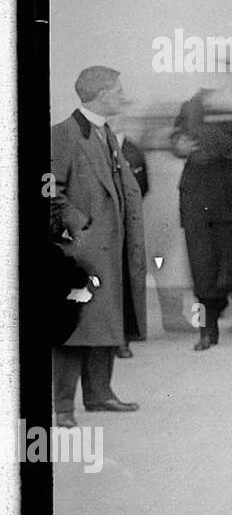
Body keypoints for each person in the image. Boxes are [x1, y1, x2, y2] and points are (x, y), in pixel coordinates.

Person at [50, 66, 146, 423]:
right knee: (73, 329)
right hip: (81, 253)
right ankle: (62, 407)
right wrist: (81, 226)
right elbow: (48, 189)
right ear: (102, 94)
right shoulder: (63, 135)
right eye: (118, 91)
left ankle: (100, 394)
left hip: (113, 248)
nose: (123, 97)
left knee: (107, 320)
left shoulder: (106, 134)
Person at [172, 87, 232, 351]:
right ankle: (206, 330)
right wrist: (179, 146)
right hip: (201, 199)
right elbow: (178, 138)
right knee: (202, 269)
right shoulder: (192, 105)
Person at [115, 135, 149, 359]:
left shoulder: (132, 149)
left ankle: (124, 337)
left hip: (125, 221)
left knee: (127, 279)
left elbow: (142, 186)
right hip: (97, 223)